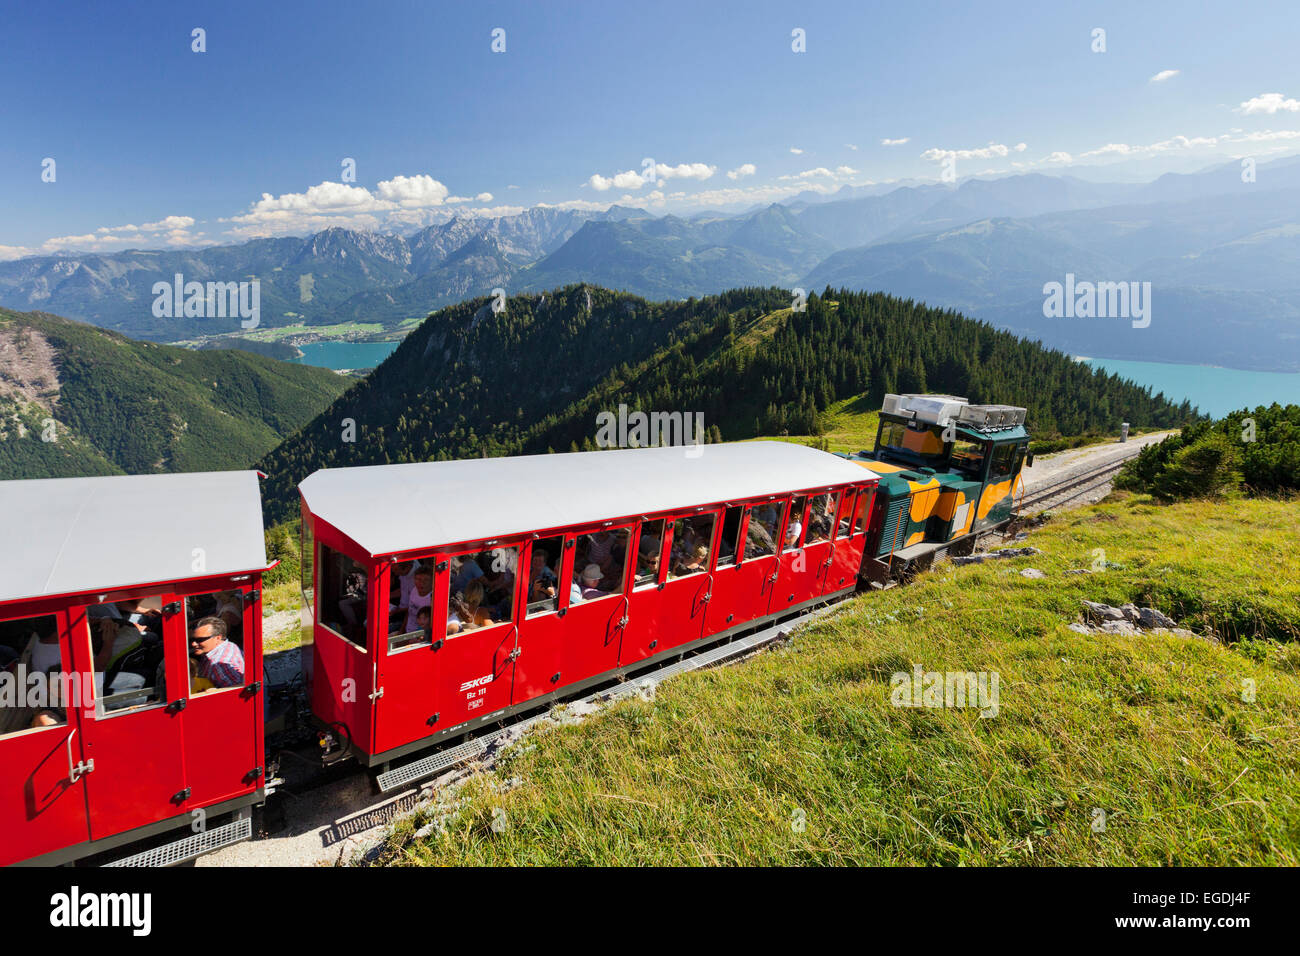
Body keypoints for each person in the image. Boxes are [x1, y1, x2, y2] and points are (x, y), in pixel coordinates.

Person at [190, 616, 244, 690]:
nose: (193, 644)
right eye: (193, 639)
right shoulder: (227, 645)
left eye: (200, 640)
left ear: (218, 638)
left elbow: (236, 693)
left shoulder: (219, 667)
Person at [404, 567, 433, 634]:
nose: (421, 582)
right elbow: (409, 611)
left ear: (432, 581)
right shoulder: (414, 590)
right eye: (418, 579)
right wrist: (402, 630)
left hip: (419, 636)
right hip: (407, 631)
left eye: (426, 580)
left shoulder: (433, 598)